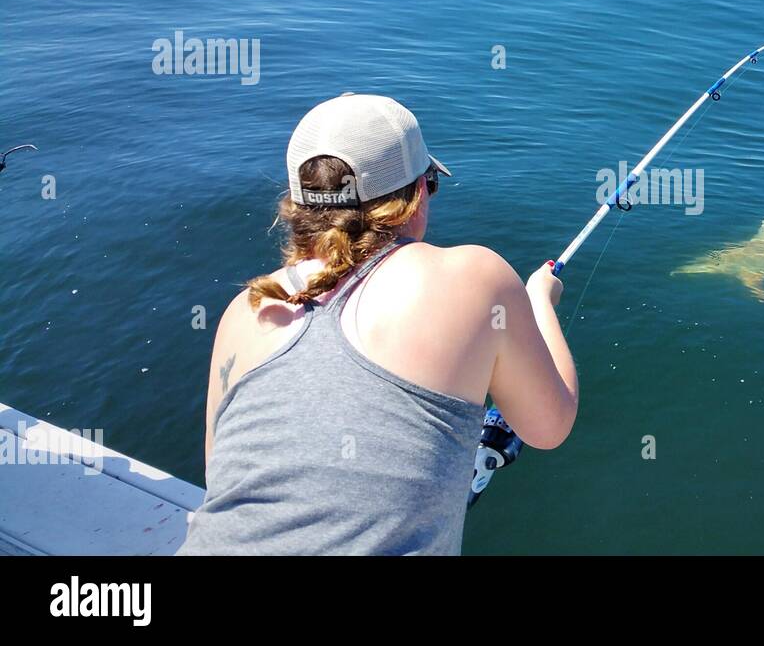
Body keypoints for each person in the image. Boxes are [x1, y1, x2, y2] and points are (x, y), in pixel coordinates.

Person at [178, 93, 576, 555]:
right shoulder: (474, 276)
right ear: (414, 197)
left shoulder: (247, 310)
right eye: (431, 183)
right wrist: (538, 300)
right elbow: (550, 426)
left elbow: (224, 477)